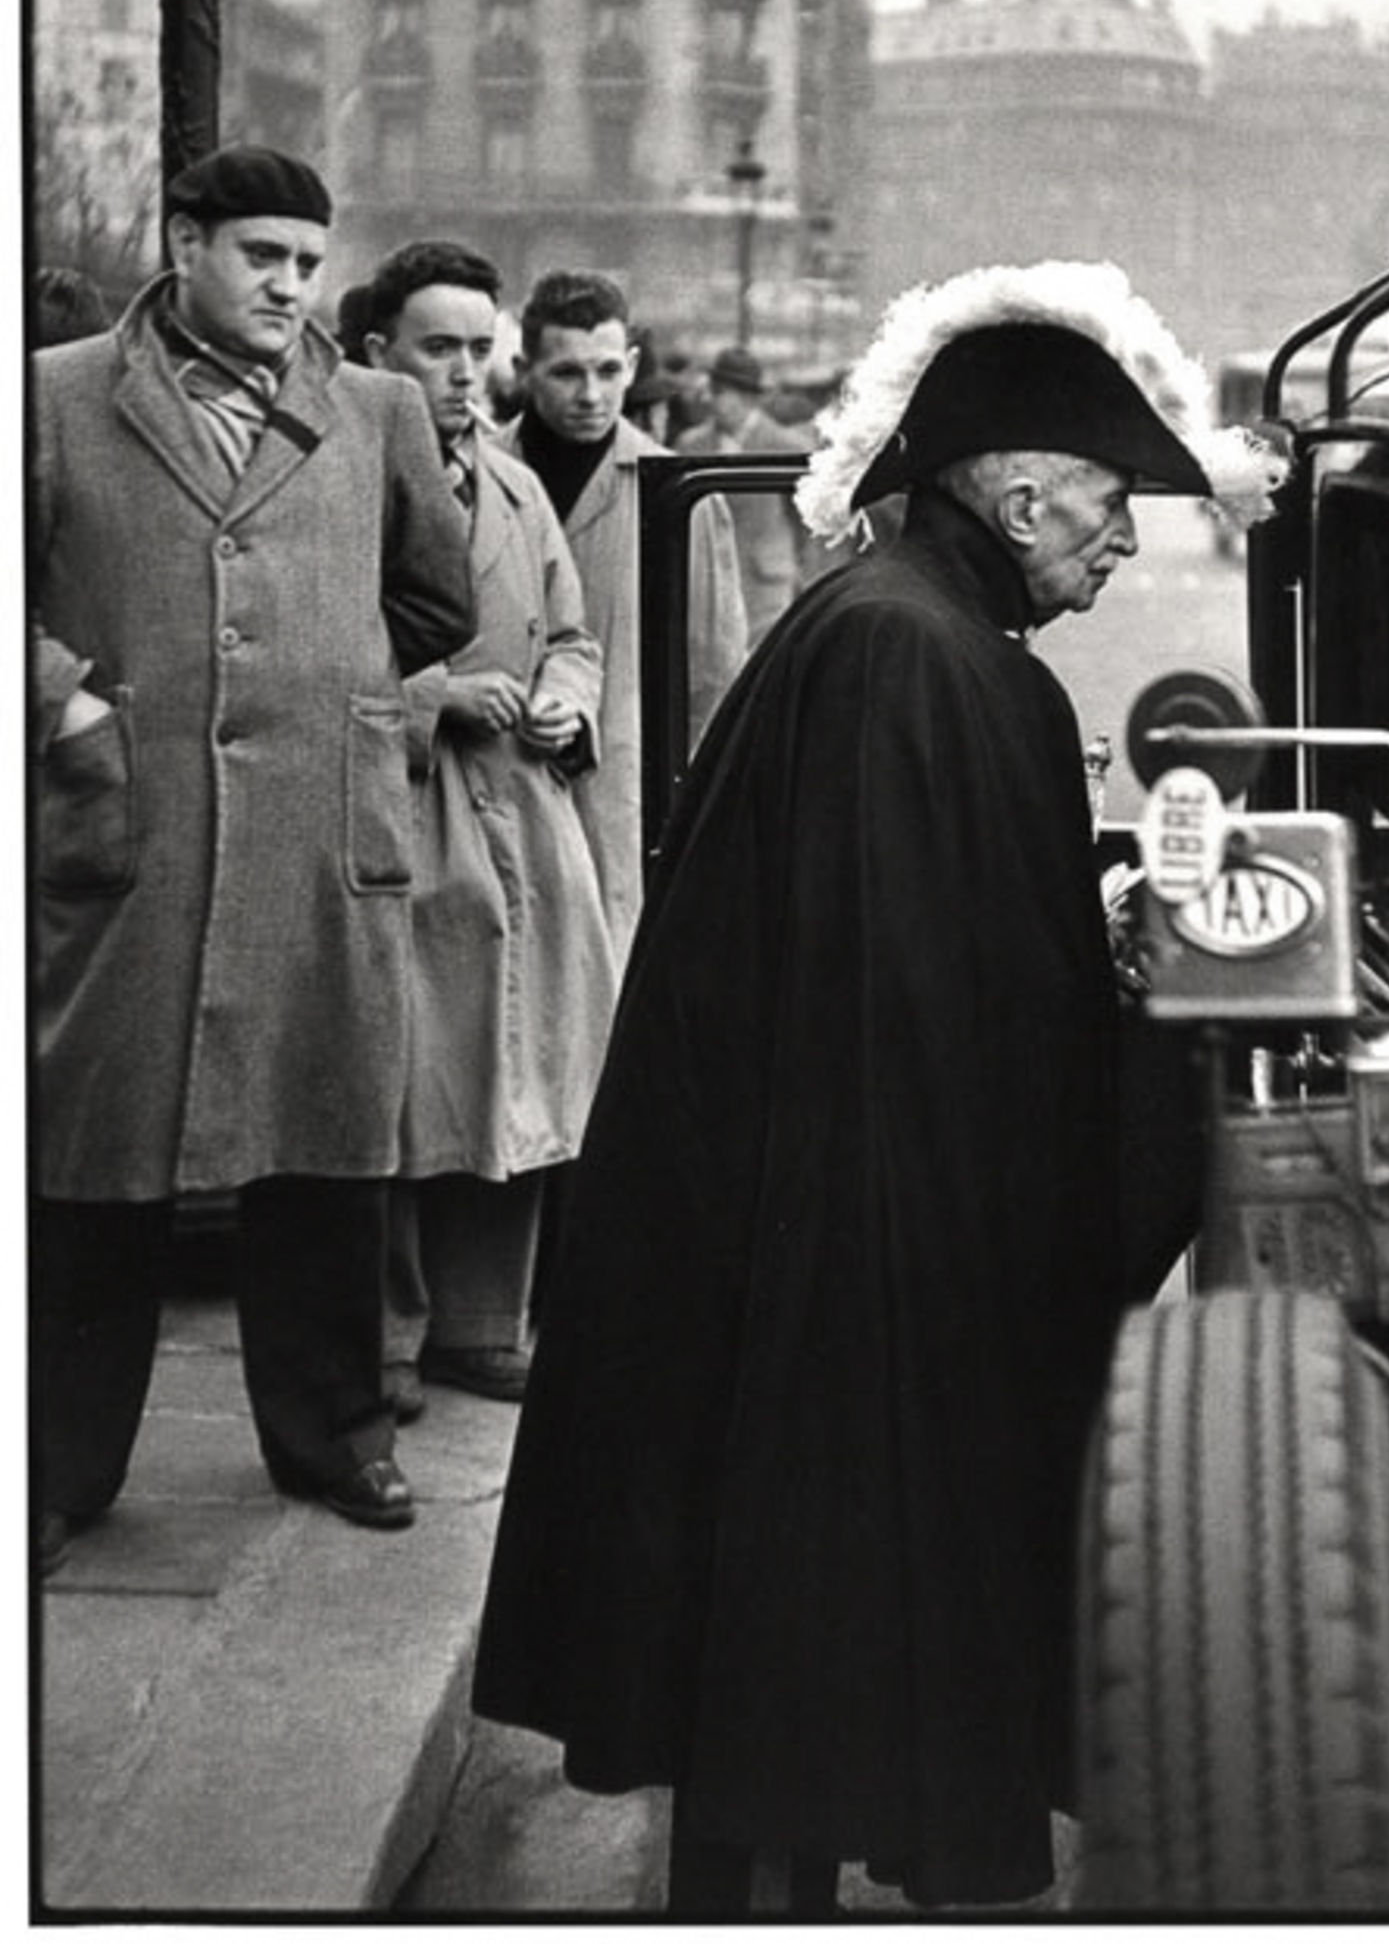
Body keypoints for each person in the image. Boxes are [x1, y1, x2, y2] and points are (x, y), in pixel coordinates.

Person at [472, 261, 1283, 1909]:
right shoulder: (931, 658)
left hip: (802, 1227)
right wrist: (1143, 1023)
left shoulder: (892, 626)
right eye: (1110, 506)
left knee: (767, 1675)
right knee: (839, 1624)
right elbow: (952, 1012)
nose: (1124, 543)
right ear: (1019, 486)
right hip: (868, 1261)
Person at [30, 144, 473, 1566]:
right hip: (126, 823)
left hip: (315, 831)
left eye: (305, 260)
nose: (290, 285)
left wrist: (325, 687)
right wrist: (66, 697)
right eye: (259, 256)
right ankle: (51, 1467)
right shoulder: (53, 396)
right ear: (184, 243)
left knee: (328, 1139)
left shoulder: (376, 408)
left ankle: (340, 1435)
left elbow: (433, 599)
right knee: (92, 1153)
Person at [360, 241, 618, 1411]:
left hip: (522, 805)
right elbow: (309, 656)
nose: (466, 374)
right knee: (406, 1079)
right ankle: (387, 1333)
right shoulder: (340, 481)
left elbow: (570, 631)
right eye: (437, 348)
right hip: (404, 813)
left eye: (479, 349)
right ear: (379, 355)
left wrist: (566, 698)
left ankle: (479, 1322)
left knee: (523, 1059)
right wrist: (432, 698)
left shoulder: (512, 487)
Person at [504, 269, 746, 971]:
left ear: (632, 367)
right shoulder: (473, 476)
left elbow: (714, 677)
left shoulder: (678, 492)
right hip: (498, 787)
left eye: (608, 371)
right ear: (525, 371)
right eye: (566, 372)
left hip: (626, 805)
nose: (590, 394)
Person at [673, 343, 813, 646]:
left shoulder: (787, 446)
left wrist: (796, 564)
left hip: (766, 585)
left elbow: (807, 520)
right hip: (708, 582)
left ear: (747, 397)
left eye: (721, 391)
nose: (710, 399)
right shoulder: (690, 445)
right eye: (712, 389)